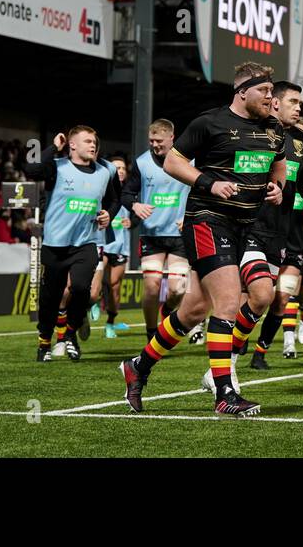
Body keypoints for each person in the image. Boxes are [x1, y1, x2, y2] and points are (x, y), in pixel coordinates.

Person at [119, 62, 286, 417]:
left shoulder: (274, 129)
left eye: (273, 92)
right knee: (227, 303)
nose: (272, 98)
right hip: (207, 221)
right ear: (243, 92)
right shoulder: (210, 122)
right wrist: (209, 183)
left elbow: (280, 163)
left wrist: (278, 186)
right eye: (265, 92)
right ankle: (224, 393)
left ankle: (138, 367)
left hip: (244, 225)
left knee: (193, 310)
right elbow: (173, 164)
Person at [27, 127, 121, 362]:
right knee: (51, 296)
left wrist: (109, 214)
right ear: (72, 145)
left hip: (86, 242)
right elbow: (31, 170)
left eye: (94, 141)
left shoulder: (106, 170)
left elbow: (115, 199)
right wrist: (53, 147)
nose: (93, 145)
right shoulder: (57, 167)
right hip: (55, 243)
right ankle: (44, 342)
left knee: (81, 289)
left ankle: (70, 334)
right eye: (87, 141)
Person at [246, 81, 303, 365]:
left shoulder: (301, 141)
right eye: (294, 102)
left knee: (281, 296)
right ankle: (235, 344)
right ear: (275, 103)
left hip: (287, 232)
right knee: (254, 295)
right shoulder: (255, 130)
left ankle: (260, 352)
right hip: (251, 225)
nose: (299, 108)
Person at [121, 119, 191, 343]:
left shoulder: (189, 159)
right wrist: (135, 205)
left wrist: (189, 216)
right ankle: (152, 332)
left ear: (172, 138)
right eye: (151, 141)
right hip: (152, 236)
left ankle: (166, 312)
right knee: (151, 288)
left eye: (159, 141)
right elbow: (126, 193)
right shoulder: (142, 162)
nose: (155, 145)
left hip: (180, 235)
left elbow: (203, 190)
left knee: (178, 289)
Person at [90, 155, 132, 338]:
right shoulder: (101, 186)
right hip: (104, 242)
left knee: (114, 286)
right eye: (116, 168)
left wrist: (132, 221)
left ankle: (110, 322)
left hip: (121, 245)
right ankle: (93, 300)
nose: (120, 171)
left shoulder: (131, 191)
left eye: (122, 168)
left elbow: (141, 212)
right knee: (97, 282)